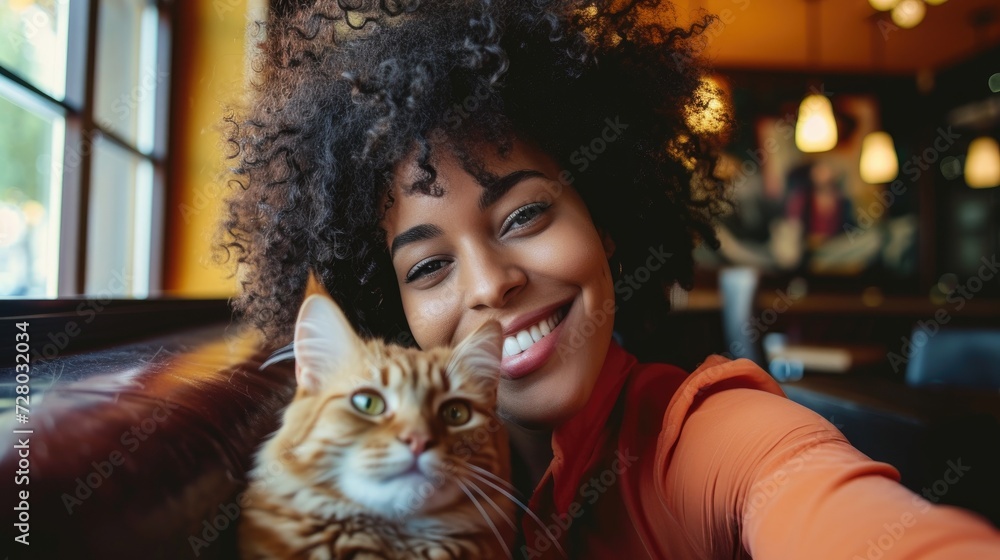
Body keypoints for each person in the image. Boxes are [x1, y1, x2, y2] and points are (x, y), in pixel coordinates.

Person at [216, 0, 1000, 558]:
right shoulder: (359, 481)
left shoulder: (700, 437)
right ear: (395, 308)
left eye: (524, 216)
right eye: (428, 266)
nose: (490, 285)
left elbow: (819, 499)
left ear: (607, 221)